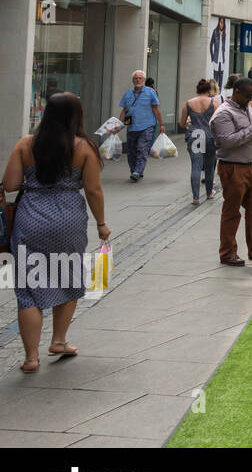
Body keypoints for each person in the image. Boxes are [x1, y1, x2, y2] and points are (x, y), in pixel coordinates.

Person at [3, 93, 109, 373]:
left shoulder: (26, 144)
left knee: (27, 290)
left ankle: (30, 358)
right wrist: (101, 223)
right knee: (69, 275)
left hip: (30, 218)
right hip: (68, 219)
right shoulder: (84, 146)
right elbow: (93, 190)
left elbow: (11, 184)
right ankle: (59, 340)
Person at [210, 77, 252, 266]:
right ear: (236, 91)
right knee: (232, 211)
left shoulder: (247, 108)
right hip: (233, 167)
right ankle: (227, 252)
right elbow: (227, 141)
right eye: (248, 95)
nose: (251, 99)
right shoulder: (223, 113)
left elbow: (251, 134)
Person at [117, 70, 164, 182]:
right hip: (132, 126)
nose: (138, 80)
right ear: (133, 80)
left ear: (143, 80)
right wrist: (118, 125)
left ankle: (137, 171)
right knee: (131, 151)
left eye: (140, 78)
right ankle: (135, 170)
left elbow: (156, 109)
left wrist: (161, 124)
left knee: (142, 149)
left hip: (147, 126)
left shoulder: (150, 92)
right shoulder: (128, 93)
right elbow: (124, 110)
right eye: (135, 78)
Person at [178, 79, 218, 205]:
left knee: (195, 166)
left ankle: (195, 197)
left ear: (197, 90)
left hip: (194, 135)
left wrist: (190, 123)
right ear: (209, 90)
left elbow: (182, 123)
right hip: (209, 135)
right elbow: (218, 122)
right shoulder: (214, 103)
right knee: (209, 166)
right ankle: (209, 192)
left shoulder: (188, 103)